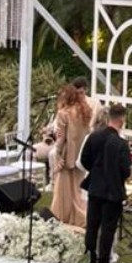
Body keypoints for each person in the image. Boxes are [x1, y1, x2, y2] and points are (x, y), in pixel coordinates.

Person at [79, 103, 132, 263]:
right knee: (108, 229)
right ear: (122, 119)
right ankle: (103, 261)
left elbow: (84, 160)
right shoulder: (121, 143)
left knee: (92, 226)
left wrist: (95, 171)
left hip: (95, 187)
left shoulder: (94, 137)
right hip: (113, 190)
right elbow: (125, 170)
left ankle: (89, 259)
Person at [46, 84, 91, 228]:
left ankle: (63, 215)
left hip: (67, 154)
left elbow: (60, 138)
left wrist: (57, 154)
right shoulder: (84, 111)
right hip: (81, 154)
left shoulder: (63, 113)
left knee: (63, 190)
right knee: (76, 190)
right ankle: (78, 216)